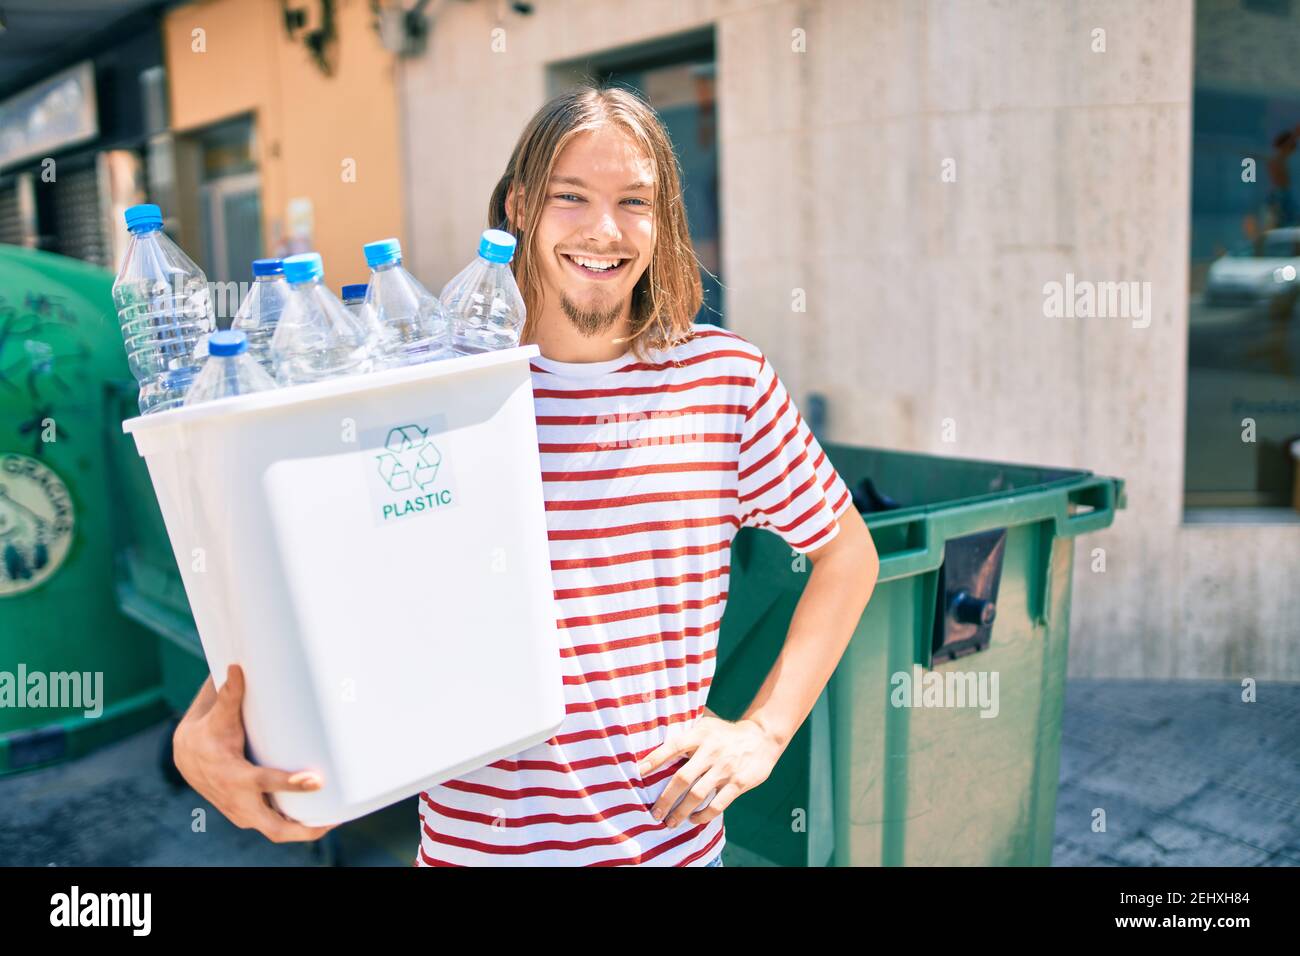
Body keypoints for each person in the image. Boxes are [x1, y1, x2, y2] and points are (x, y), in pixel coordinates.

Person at [172, 84, 880, 866]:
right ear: (518, 206)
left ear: (664, 217)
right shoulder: (434, 391)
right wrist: (202, 735)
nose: (603, 231)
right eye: (569, 196)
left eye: (634, 202)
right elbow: (326, 593)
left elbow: (848, 556)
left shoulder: (724, 382)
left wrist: (763, 732)